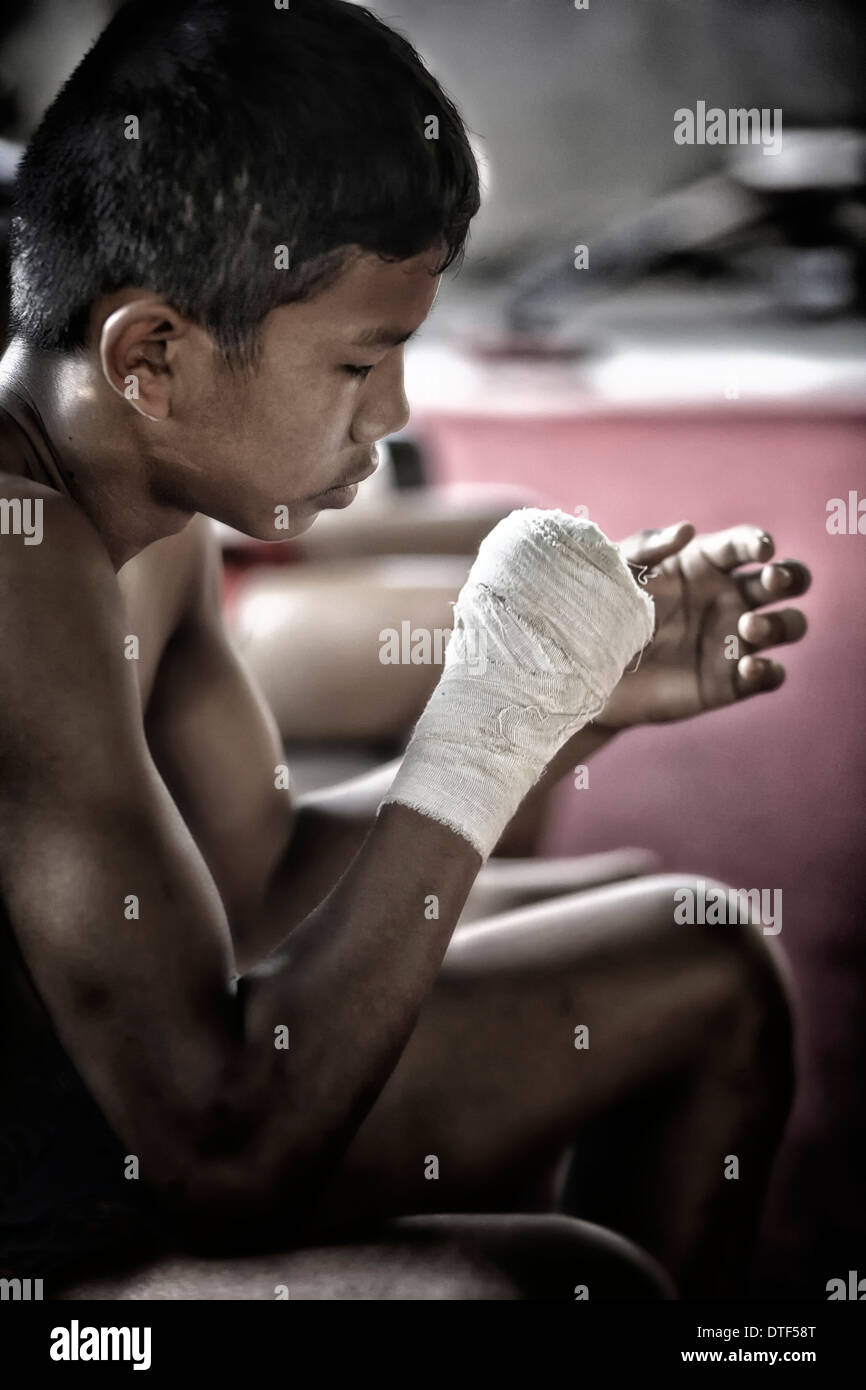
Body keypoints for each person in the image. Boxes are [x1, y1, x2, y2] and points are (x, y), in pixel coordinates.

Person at [0, 0, 808, 1300]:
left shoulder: (150, 501)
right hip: (50, 1229)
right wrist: (488, 724)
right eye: (359, 361)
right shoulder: (14, 557)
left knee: (705, 959)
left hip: (104, 1113)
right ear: (150, 355)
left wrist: (561, 708)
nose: (397, 411)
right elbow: (222, 1148)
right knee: (561, 1288)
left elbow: (252, 877)